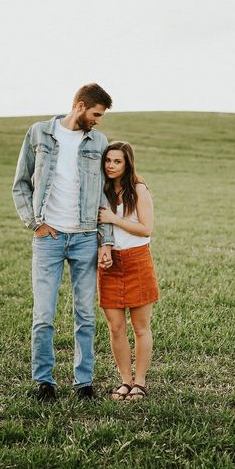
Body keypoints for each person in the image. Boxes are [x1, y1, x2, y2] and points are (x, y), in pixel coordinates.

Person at [12, 83, 114, 402]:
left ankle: (83, 383)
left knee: (84, 314)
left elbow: (103, 196)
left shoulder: (99, 142)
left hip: (85, 237)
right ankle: (45, 382)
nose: (98, 121)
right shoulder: (39, 133)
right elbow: (20, 184)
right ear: (80, 106)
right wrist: (35, 223)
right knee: (44, 314)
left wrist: (105, 241)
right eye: (96, 114)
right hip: (49, 238)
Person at [97, 141, 159, 401]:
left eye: (117, 161)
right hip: (110, 264)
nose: (111, 166)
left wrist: (114, 219)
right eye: (108, 161)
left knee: (141, 327)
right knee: (115, 327)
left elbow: (146, 229)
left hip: (137, 260)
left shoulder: (138, 190)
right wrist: (104, 249)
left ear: (127, 163)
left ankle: (140, 382)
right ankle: (125, 380)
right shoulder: (102, 189)